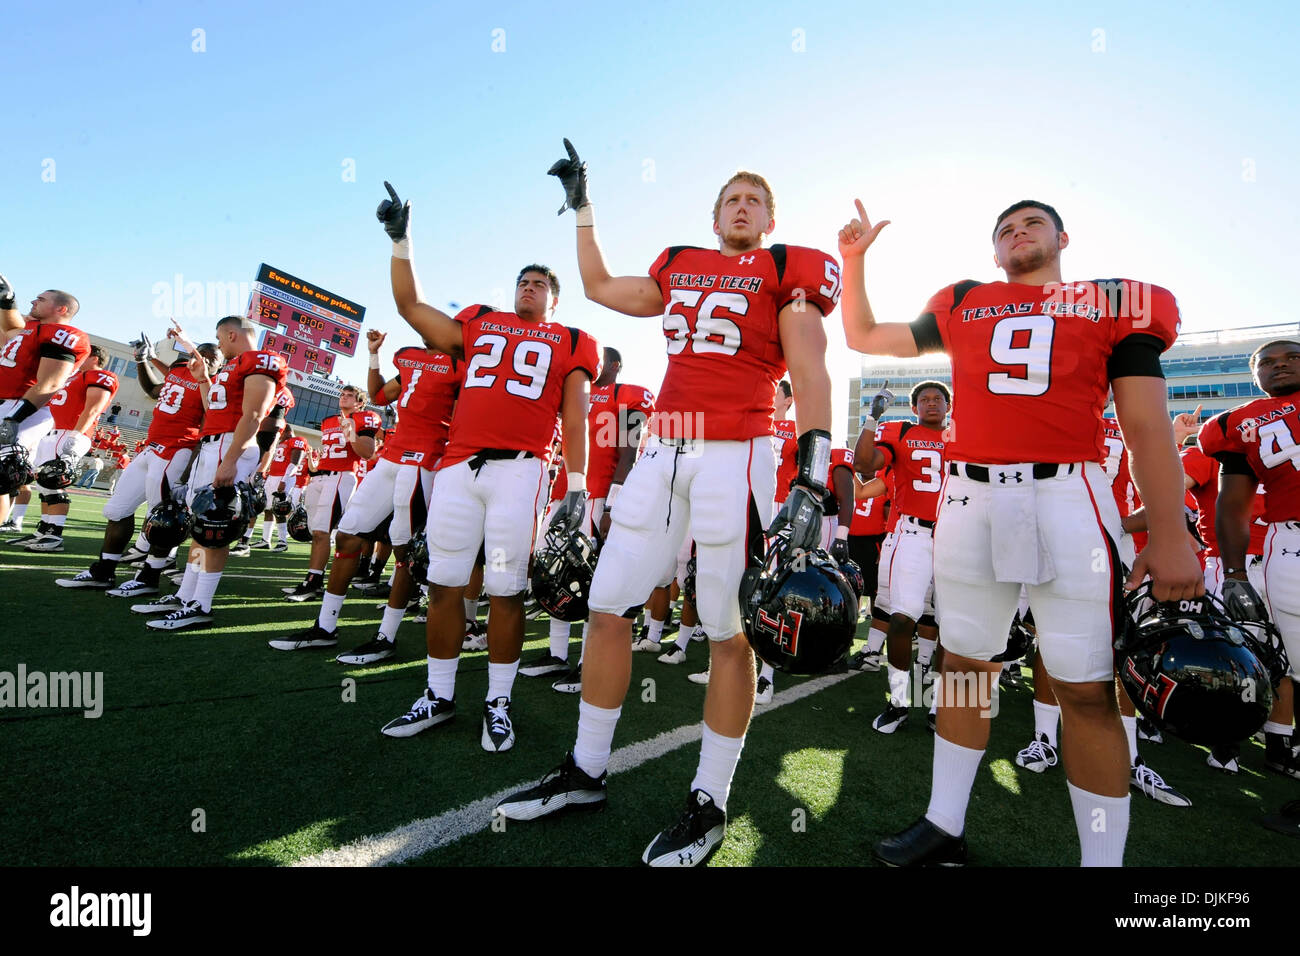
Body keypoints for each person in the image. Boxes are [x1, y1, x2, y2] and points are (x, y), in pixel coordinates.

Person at [495, 144, 838, 867]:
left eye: (754, 199)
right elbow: (594, 285)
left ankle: (709, 798)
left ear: (771, 217)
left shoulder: (785, 271)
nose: (741, 206)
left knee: (728, 631)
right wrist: (584, 206)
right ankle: (587, 770)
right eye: (730, 198)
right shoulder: (681, 264)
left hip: (737, 452)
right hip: (661, 450)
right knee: (608, 602)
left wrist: (811, 468)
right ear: (713, 215)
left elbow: (808, 366)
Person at [838, 198, 1199, 867]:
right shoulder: (964, 301)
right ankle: (945, 823)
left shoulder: (1114, 300)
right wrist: (854, 261)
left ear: (1063, 238)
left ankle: (1101, 861)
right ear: (994, 254)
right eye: (1004, 229)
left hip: (1067, 492)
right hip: (969, 496)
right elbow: (862, 334)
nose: (1017, 233)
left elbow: (1148, 426)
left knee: (1085, 687)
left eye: (1032, 223)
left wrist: (1170, 531)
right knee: (965, 664)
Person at [374, 181, 599, 754]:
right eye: (524, 281)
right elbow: (410, 308)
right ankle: (439, 695)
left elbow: (576, 420)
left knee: (504, 588)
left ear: (554, 300)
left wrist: (575, 489)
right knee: (444, 582)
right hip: (457, 468)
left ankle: (498, 700)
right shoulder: (478, 321)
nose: (530, 288)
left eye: (541, 284)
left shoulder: (571, 339)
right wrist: (402, 242)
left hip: (520, 472)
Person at [272, 327, 461, 662]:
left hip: (423, 461)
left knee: (405, 549)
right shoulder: (410, 358)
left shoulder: (463, 365)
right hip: (391, 459)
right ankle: (325, 627)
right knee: (347, 535)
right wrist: (373, 353)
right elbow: (377, 394)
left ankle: (386, 635)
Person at [134, 316, 287, 629]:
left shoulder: (260, 361)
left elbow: (255, 415)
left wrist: (230, 461)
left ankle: (200, 605)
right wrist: (204, 379)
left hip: (231, 446)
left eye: (219, 338)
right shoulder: (232, 366)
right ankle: (186, 595)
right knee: (201, 525)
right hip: (212, 445)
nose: (218, 344)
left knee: (216, 527)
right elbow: (214, 408)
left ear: (231, 334)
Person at [1198, 339, 1300, 780]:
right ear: (1254, 375)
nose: (1279, 367)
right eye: (1267, 363)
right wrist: (1235, 573)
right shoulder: (1238, 423)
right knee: (1287, 662)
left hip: (1279, 550)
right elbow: (1232, 503)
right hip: (1287, 544)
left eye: (1291, 358)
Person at [55, 341, 219, 595]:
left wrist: (187, 472)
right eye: (202, 354)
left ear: (220, 364)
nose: (205, 360)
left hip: (177, 450)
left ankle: (149, 577)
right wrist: (143, 360)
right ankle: (104, 571)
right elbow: (154, 390)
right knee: (117, 510)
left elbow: (207, 429)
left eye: (213, 358)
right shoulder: (178, 370)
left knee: (164, 518)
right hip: (151, 447)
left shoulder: (213, 385)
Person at [0, 278, 90, 527]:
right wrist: (8, 303)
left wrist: (13, 418)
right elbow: (9, 331)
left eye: (41, 299)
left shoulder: (62, 335)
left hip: (21, 406)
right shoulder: (31, 329)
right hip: (9, 404)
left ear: (61, 309)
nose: (33, 301)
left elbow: (50, 383)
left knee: (2, 474)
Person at [282, 385, 380, 600]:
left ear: (360, 403)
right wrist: (314, 465)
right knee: (315, 532)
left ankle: (313, 582)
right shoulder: (328, 421)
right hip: (320, 476)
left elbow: (367, 452)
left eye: (350, 396)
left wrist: (351, 432)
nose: (344, 398)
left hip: (340, 477)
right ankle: (312, 579)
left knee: (321, 532)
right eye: (342, 395)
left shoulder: (365, 418)